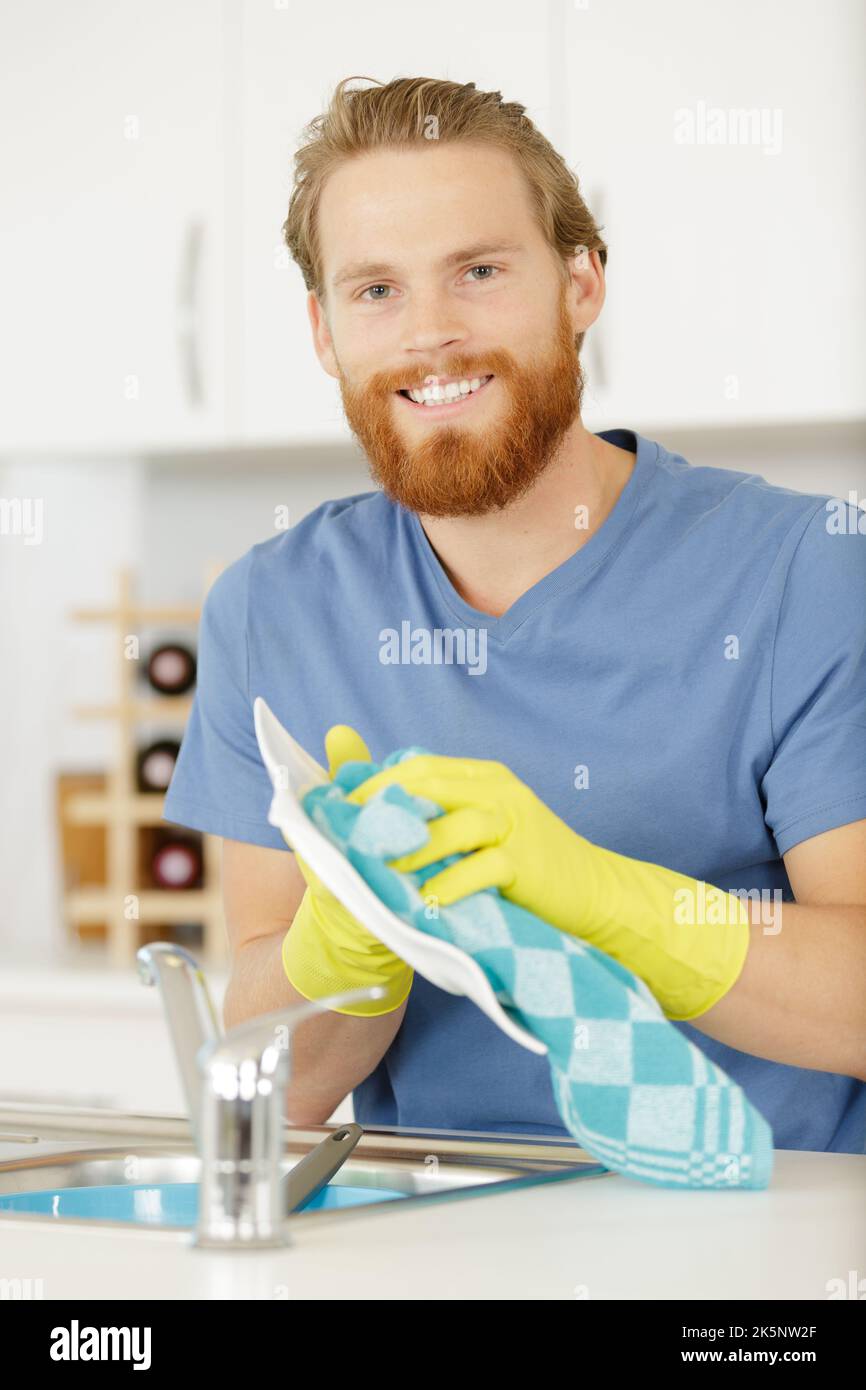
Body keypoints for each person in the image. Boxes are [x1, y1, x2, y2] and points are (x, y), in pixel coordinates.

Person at [163, 76, 866, 1154]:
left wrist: (609, 901)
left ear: (580, 281)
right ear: (321, 330)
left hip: (760, 1245)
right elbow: (269, 1092)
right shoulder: (273, 608)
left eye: (479, 272)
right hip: (438, 1234)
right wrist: (336, 952)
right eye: (375, 291)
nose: (430, 335)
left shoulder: (803, 570)